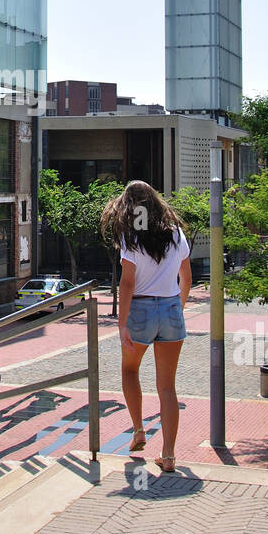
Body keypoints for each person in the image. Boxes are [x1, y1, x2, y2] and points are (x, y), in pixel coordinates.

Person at [101, 180, 192, 473]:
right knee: (167, 387)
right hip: (170, 308)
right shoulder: (177, 234)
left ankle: (139, 430)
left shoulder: (132, 236)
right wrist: (179, 306)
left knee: (129, 370)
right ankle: (168, 456)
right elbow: (187, 279)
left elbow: (126, 283)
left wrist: (122, 323)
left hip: (140, 308)